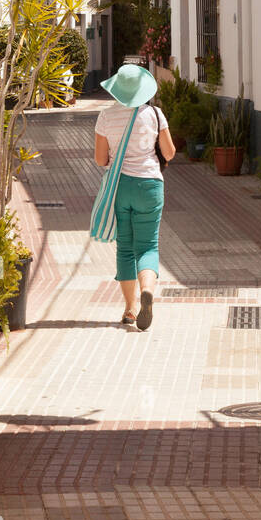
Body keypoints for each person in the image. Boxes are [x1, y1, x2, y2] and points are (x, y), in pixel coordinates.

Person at [94, 63, 175, 330]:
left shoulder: (106, 117)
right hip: (150, 185)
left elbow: (100, 158)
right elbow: (170, 152)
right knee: (149, 245)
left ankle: (130, 309)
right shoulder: (154, 114)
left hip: (121, 187)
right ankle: (147, 291)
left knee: (126, 248)